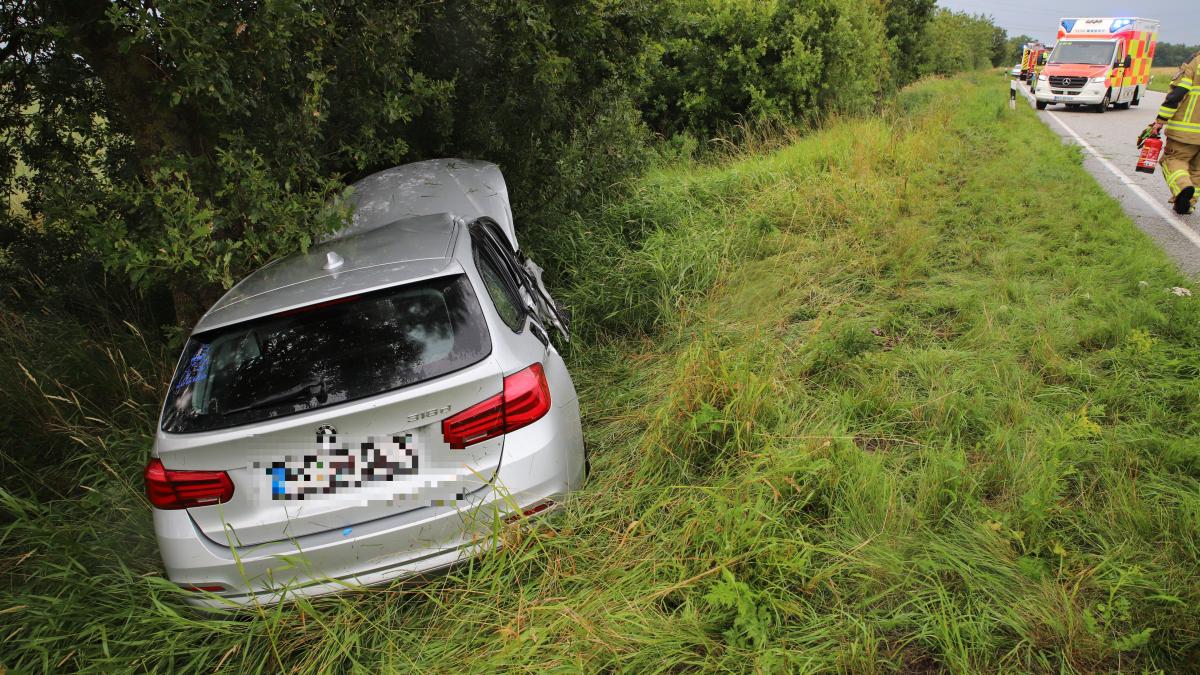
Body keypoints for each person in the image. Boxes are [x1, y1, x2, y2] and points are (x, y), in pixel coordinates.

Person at [1152, 51, 1200, 215]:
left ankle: (1182, 189)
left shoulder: (1194, 63)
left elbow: (1178, 93)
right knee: (1197, 170)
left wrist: (1160, 120)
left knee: (1173, 161)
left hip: (1185, 132)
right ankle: (1187, 204)